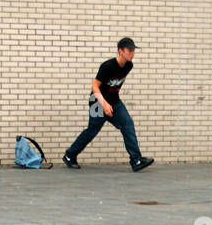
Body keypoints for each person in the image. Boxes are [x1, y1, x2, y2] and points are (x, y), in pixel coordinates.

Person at [62, 37, 154, 172]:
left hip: (114, 101)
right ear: (120, 51)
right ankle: (70, 155)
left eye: (133, 50)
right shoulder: (107, 66)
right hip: (97, 101)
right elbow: (95, 86)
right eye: (129, 50)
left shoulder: (129, 65)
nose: (132, 53)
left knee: (127, 124)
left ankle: (136, 160)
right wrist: (104, 104)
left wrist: (110, 104)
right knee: (92, 130)